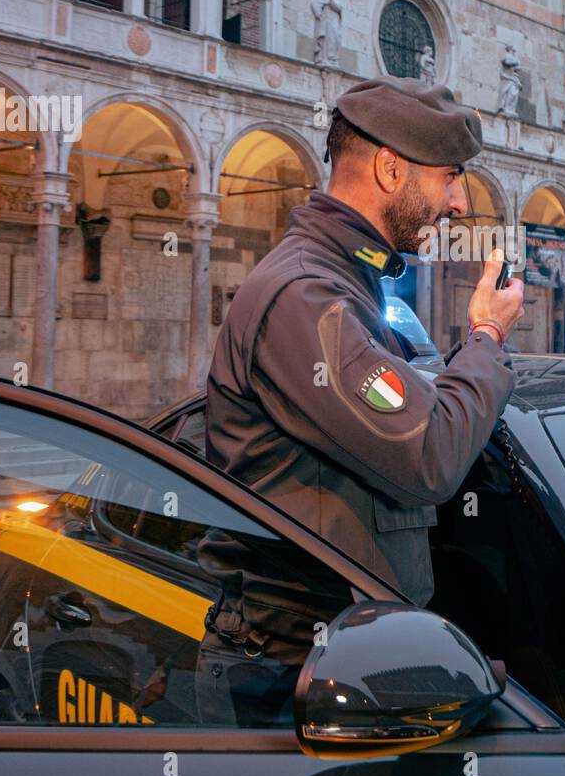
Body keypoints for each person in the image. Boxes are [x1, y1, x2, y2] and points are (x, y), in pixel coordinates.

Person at [199, 77, 524, 716]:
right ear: (389, 168)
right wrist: (486, 337)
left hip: (340, 664)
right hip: (291, 684)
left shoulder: (343, 284)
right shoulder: (306, 297)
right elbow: (429, 451)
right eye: (450, 178)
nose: (458, 204)